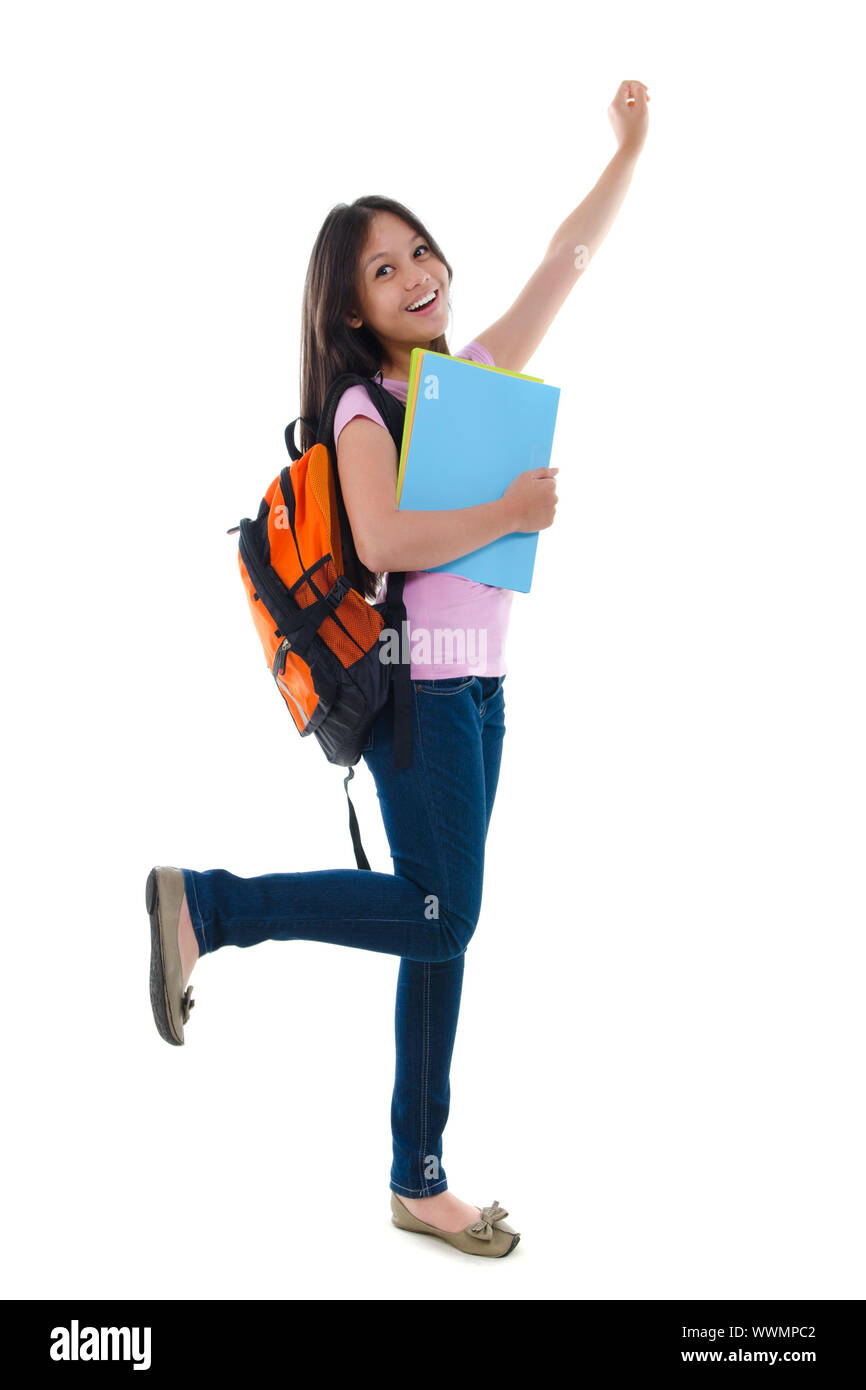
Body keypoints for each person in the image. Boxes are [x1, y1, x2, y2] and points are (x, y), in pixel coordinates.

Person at [146, 80, 650, 1258]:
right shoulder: (364, 410)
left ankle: (416, 1176)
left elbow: (560, 268)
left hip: (477, 691)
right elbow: (377, 543)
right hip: (419, 693)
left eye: (418, 248)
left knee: (440, 928)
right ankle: (207, 905)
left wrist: (630, 151)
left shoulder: (455, 378)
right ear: (348, 309)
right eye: (383, 268)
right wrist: (511, 507)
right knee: (439, 910)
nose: (415, 270)